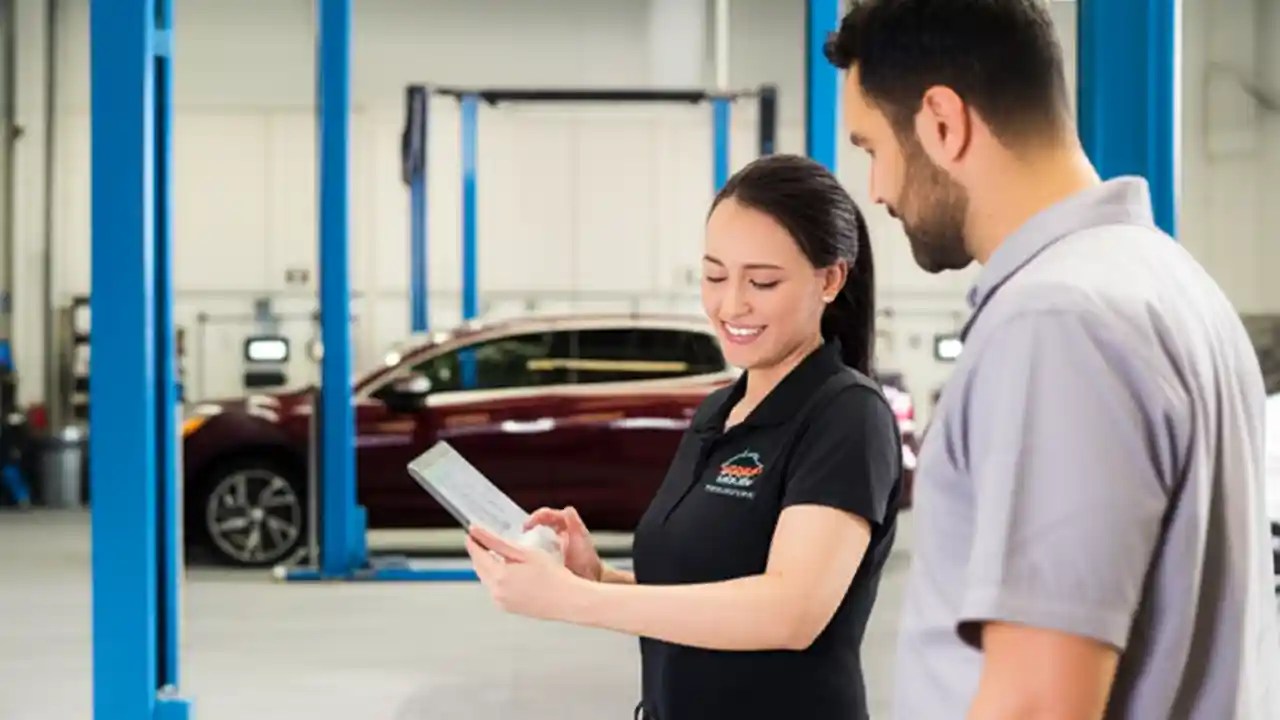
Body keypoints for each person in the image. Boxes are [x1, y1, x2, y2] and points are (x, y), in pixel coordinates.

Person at [826, 1, 1280, 718]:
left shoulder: (1056, 322)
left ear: (942, 123)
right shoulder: (1172, 283)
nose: (876, 190)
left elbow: (1038, 703)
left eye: (872, 148)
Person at [464, 153, 903, 720]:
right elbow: (702, 591)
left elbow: (791, 612)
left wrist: (579, 601)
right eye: (715, 275)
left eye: (762, 281)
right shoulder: (719, 412)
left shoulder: (847, 415)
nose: (730, 304)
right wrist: (599, 578)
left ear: (831, 279)